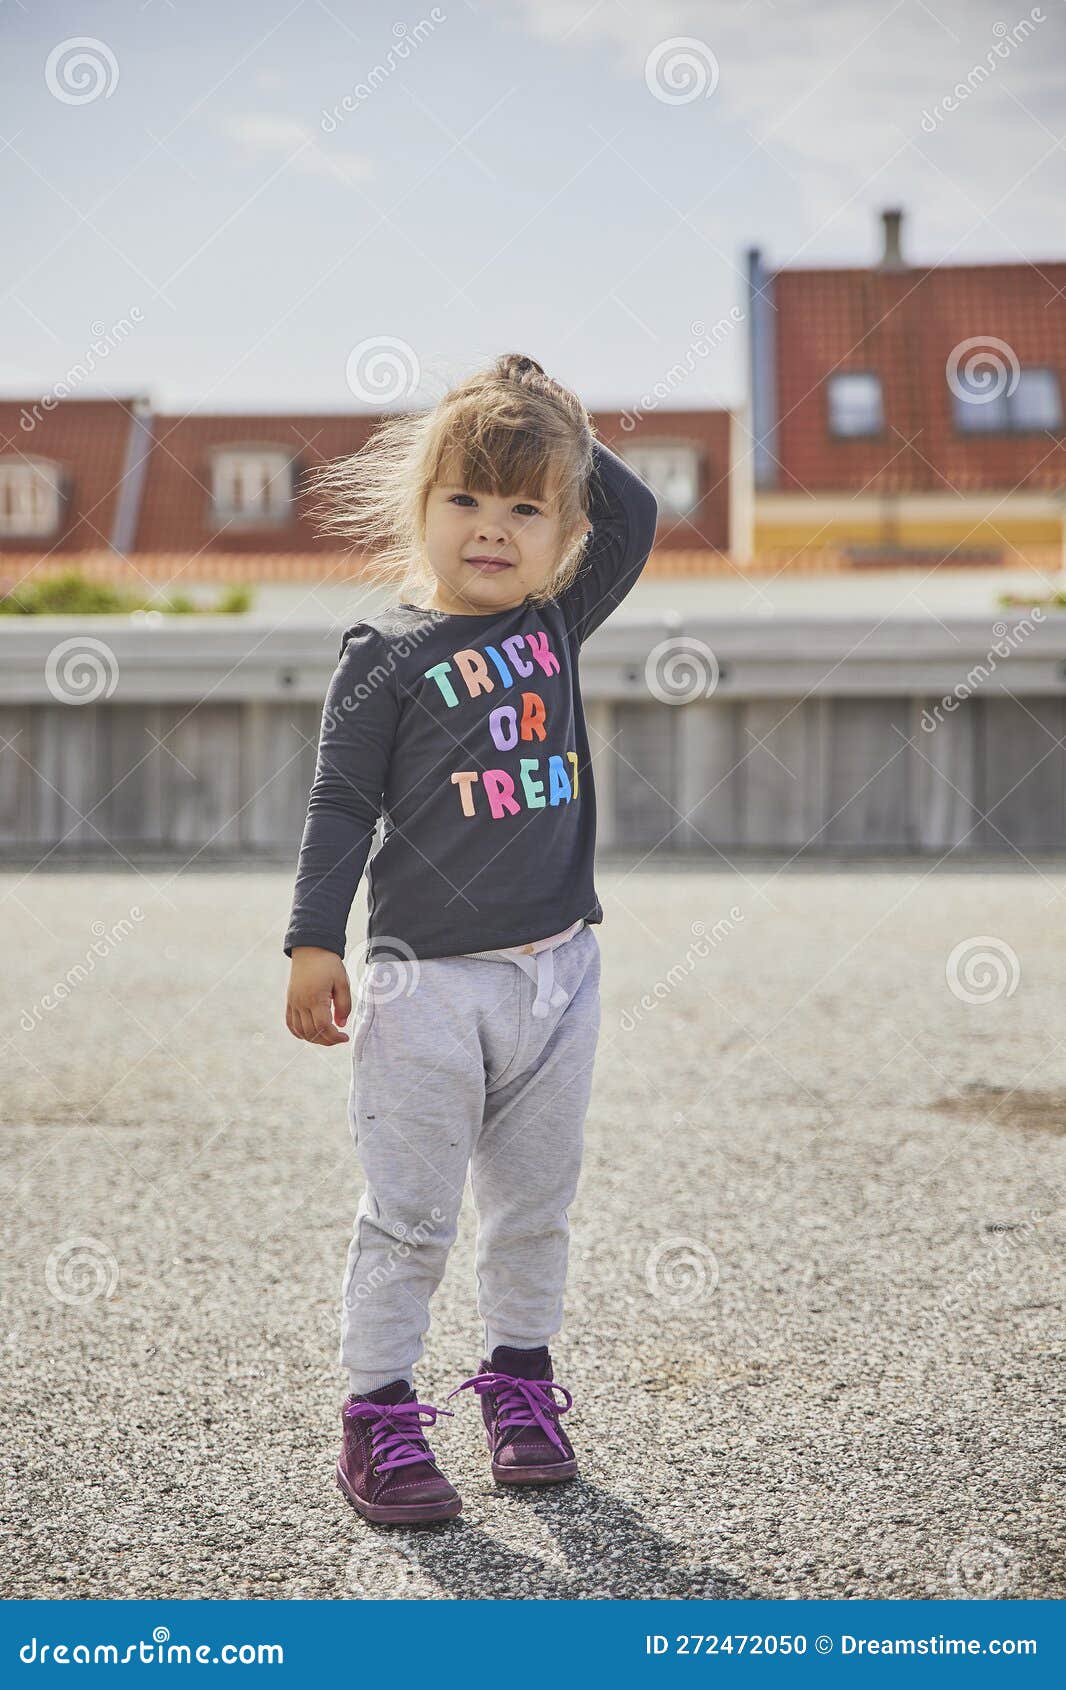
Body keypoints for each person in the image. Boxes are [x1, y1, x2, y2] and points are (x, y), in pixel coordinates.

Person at [283, 352, 659, 1524]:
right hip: (424, 986)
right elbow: (339, 805)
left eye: (523, 506)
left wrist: (544, 412)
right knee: (409, 1212)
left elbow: (636, 512)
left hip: (557, 975)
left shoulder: (558, 617)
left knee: (535, 1204)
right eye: (465, 499)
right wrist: (311, 940)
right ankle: (379, 1416)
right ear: (420, 511)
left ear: (559, 532)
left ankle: (520, 1383)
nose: (492, 529)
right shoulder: (383, 654)